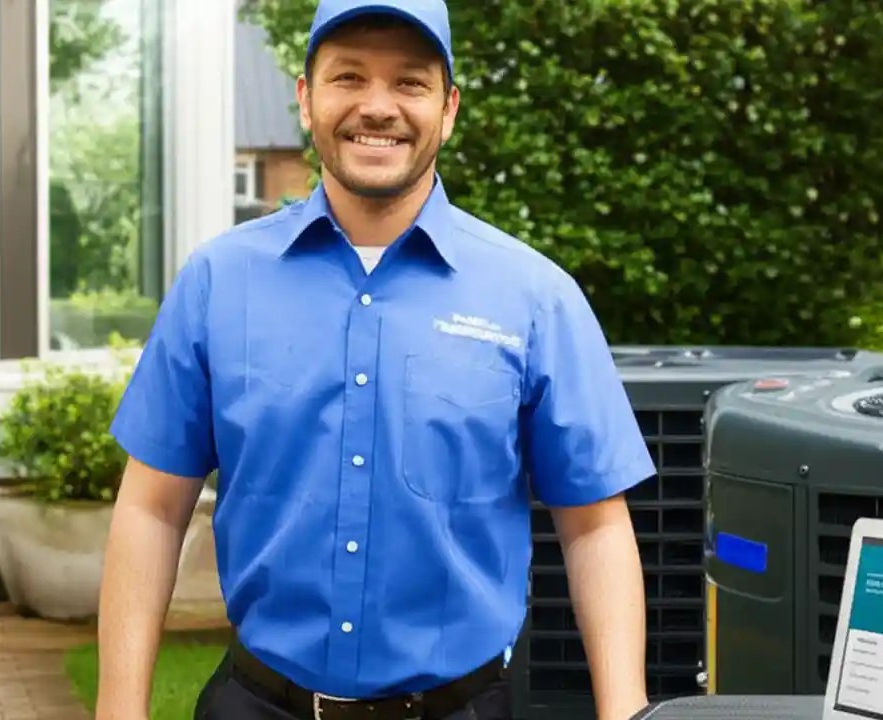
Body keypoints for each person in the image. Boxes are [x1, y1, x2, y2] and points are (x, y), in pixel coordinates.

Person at [94, 0, 655, 718]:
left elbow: (596, 526)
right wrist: (119, 708)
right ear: (306, 98)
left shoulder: (535, 297)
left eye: (410, 83)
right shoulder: (216, 283)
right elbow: (150, 509)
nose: (377, 107)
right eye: (349, 77)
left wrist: (624, 711)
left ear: (448, 108)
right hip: (257, 702)